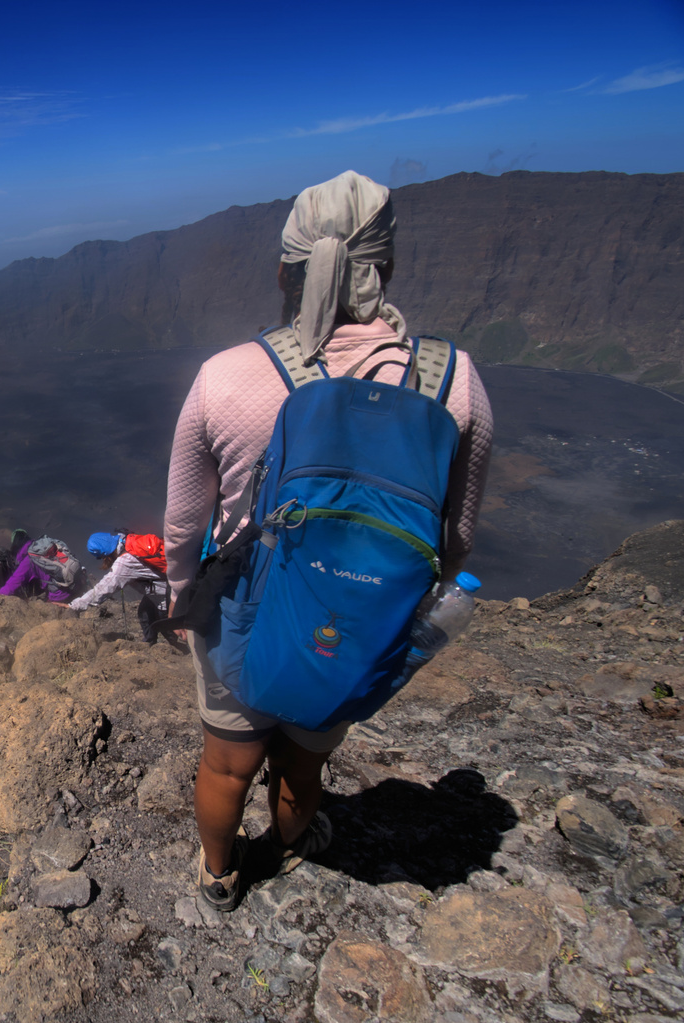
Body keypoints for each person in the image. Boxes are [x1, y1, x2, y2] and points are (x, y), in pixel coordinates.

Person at [163, 171, 494, 912]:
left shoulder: (225, 379)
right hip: (357, 617)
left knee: (225, 767)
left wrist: (187, 598)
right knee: (302, 769)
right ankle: (287, 846)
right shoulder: (453, 380)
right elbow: (457, 537)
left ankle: (219, 874)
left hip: (238, 617)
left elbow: (184, 525)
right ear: (387, 266)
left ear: (285, 269)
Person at [70, 531, 170, 643]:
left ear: (104, 555)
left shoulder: (123, 564)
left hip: (164, 594)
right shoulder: (126, 539)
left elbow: (102, 590)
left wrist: (74, 606)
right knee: (144, 612)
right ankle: (149, 644)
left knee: (167, 625)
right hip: (164, 586)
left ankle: (182, 649)